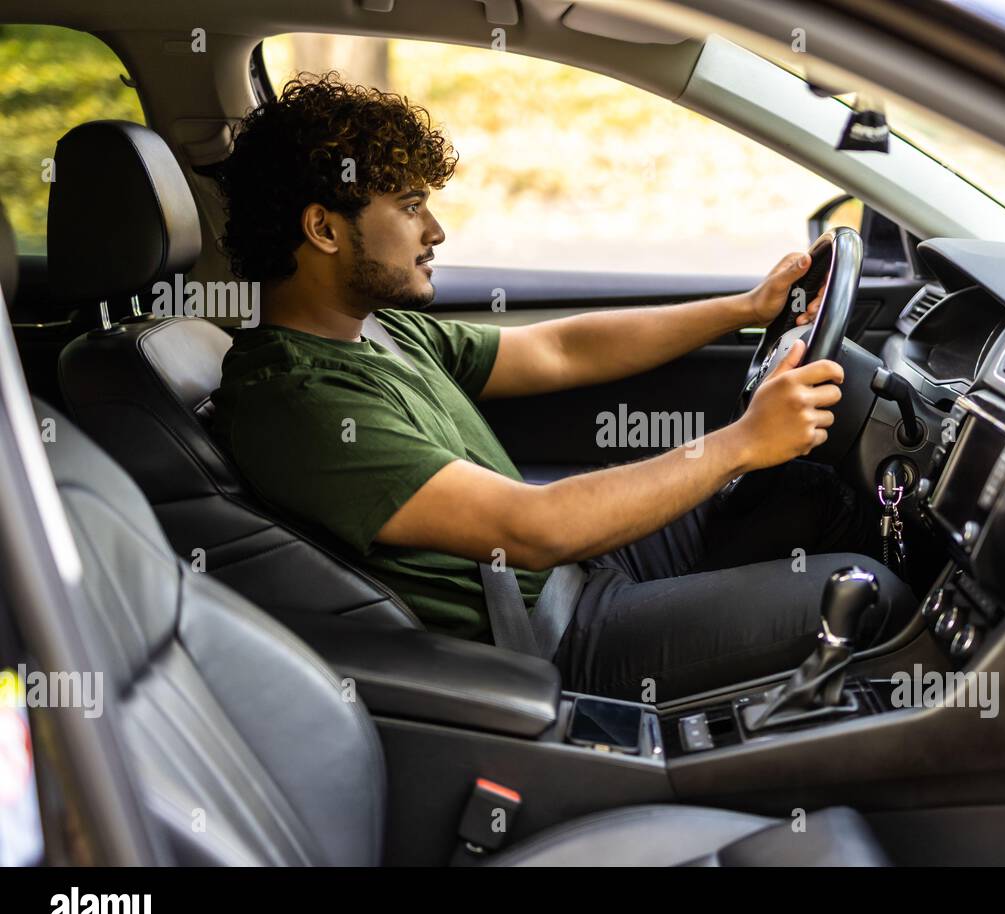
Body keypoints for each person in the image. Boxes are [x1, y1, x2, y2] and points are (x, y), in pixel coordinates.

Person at [210, 73, 914, 702]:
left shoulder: (380, 332)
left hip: (581, 572)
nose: (436, 230)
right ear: (323, 228)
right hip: (554, 635)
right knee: (862, 590)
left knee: (810, 494)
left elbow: (559, 348)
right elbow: (533, 527)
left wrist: (745, 308)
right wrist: (740, 443)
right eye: (409, 205)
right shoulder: (296, 400)